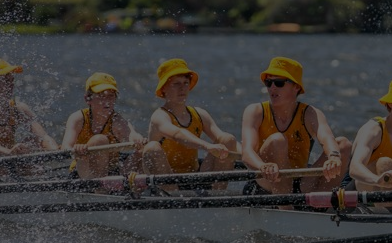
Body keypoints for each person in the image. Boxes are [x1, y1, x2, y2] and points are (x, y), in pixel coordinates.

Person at [240, 56, 352, 197]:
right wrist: (263, 166)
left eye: (279, 83)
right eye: (269, 82)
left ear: (296, 87)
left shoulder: (310, 113)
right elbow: (247, 152)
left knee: (343, 145)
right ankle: (286, 207)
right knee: (277, 140)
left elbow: (327, 138)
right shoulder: (255, 111)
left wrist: (334, 157)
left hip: (302, 182)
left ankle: (320, 206)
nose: (272, 88)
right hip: (266, 180)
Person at [142, 58, 238, 191]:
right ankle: (171, 198)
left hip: (194, 176)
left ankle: (217, 196)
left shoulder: (199, 114)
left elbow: (228, 141)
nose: (182, 88)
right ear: (164, 88)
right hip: (165, 179)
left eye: (185, 83)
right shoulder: (159, 116)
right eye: (176, 84)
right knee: (152, 147)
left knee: (228, 139)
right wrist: (207, 146)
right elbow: (177, 134)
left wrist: (256, 159)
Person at [0, 57, 59, 181]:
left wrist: (56, 151)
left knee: (33, 140)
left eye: (11, 79)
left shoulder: (19, 108)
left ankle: (37, 181)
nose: (11, 84)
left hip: (11, 162)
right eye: (6, 79)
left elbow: (43, 136)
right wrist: (8, 152)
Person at [60, 72, 148, 179]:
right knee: (99, 140)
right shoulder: (78, 118)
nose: (107, 101)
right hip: (83, 172)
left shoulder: (117, 120)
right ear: (88, 99)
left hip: (111, 171)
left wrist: (139, 140)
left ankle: (138, 188)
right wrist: (76, 150)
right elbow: (66, 147)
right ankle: (100, 190)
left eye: (110, 96)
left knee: (144, 150)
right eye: (101, 96)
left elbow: (132, 135)